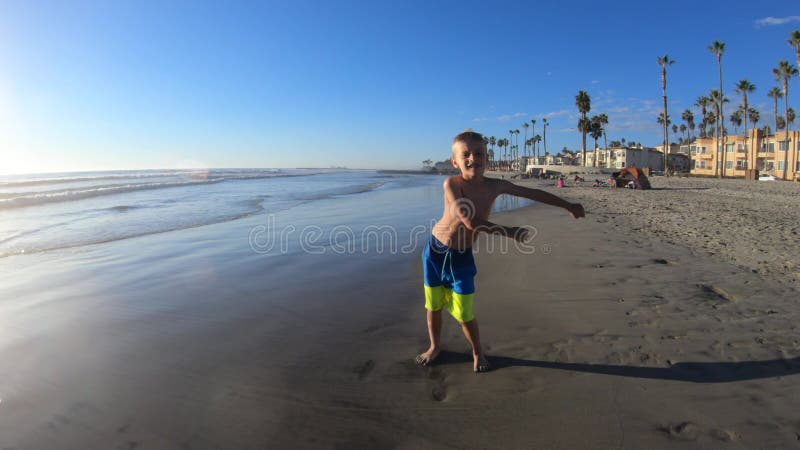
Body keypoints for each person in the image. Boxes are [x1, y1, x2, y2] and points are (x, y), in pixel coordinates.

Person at [415, 130, 585, 373]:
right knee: (433, 306)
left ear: (487, 157)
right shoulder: (451, 184)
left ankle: (477, 351)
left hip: (461, 258)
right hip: (435, 253)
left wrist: (567, 205)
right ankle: (435, 346)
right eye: (466, 154)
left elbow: (533, 193)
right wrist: (510, 232)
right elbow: (469, 221)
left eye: (479, 153)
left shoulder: (496, 186)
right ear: (455, 162)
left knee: (465, 312)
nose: (473, 158)